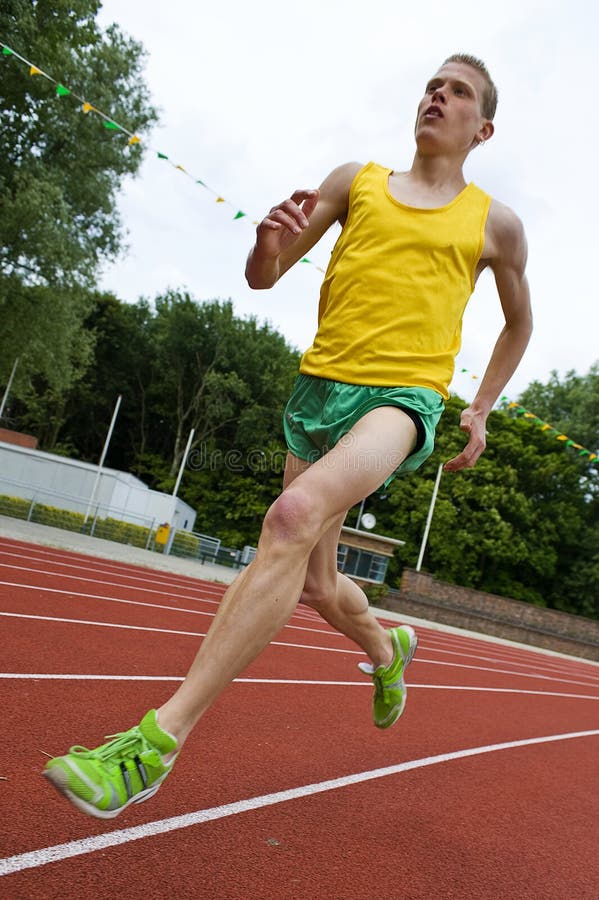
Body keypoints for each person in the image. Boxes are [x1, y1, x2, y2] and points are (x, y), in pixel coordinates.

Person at [44, 53, 532, 818]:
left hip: (400, 402)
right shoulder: (355, 181)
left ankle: (155, 743)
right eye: (431, 85)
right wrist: (265, 244)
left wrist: (480, 407)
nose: (437, 96)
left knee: (291, 517)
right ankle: (385, 650)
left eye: (457, 91)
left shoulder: (493, 224)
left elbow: (517, 324)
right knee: (311, 582)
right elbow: (264, 276)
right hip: (318, 393)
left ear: (483, 127)